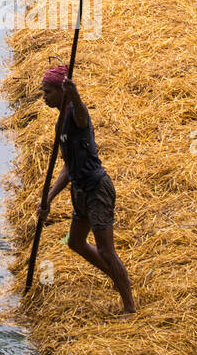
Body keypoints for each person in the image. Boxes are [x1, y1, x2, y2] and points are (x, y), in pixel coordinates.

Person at [37, 63, 136, 314]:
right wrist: (48, 198)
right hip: (79, 190)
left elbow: (82, 116)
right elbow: (68, 167)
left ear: (62, 92)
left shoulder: (75, 114)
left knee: (105, 249)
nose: (44, 97)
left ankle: (129, 306)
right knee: (76, 242)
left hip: (96, 189)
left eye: (48, 92)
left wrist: (75, 94)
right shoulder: (60, 123)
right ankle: (117, 277)